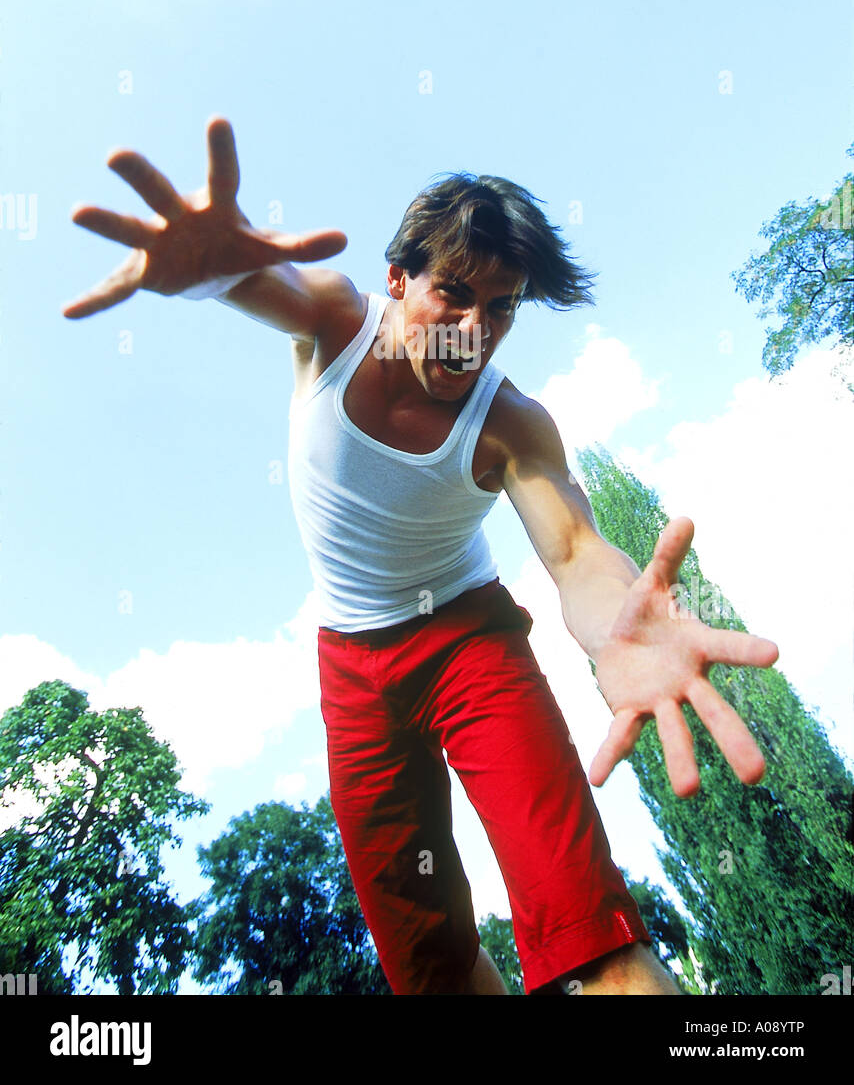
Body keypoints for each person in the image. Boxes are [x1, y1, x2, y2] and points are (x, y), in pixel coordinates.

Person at [64, 117, 780, 996]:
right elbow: (263, 280)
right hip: (352, 670)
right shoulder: (336, 323)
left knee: (590, 932)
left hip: (470, 646)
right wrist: (212, 273)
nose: (475, 330)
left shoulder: (510, 422)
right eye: (455, 293)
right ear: (397, 280)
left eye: (503, 307)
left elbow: (573, 549)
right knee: (428, 970)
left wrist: (616, 626)